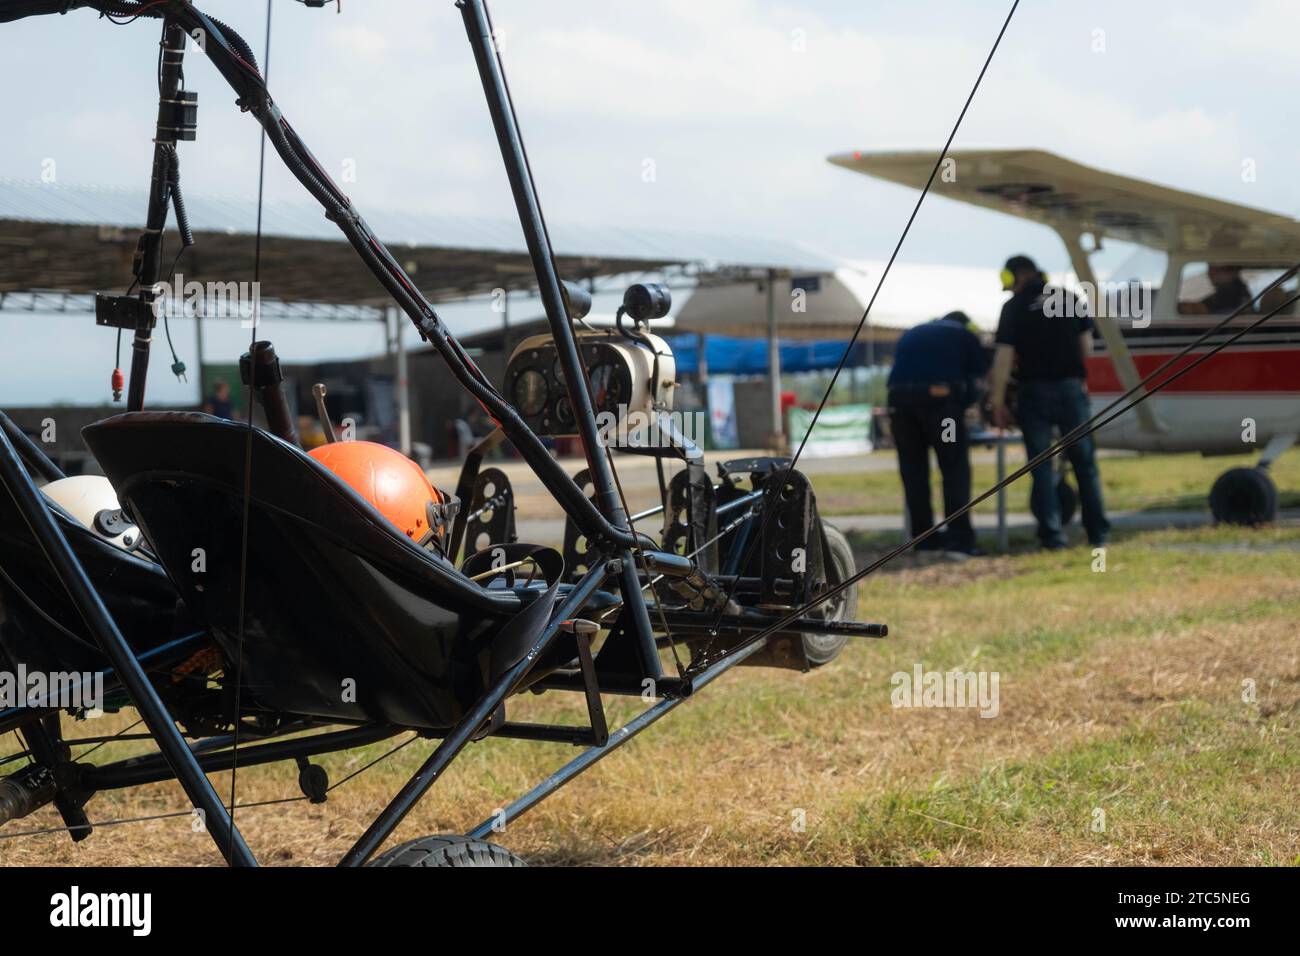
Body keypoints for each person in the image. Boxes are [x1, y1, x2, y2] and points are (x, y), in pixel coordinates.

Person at [990, 255, 1110, 550]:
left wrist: (997, 401)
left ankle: (1053, 538)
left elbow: (1004, 358)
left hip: (1034, 391)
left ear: (1016, 276)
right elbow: (1087, 347)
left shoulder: (1013, 306)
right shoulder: (1068, 298)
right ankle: (1098, 536)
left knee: (1042, 466)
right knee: (1085, 464)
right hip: (1071, 390)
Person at [887, 310, 989, 557]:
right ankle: (959, 540)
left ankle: (924, 541)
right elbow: (978, 381)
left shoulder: (913, 331)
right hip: (940, 407)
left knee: (914, 473)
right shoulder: (966, 335)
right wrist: (964, 404)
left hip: (899, 404)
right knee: (954, 469)